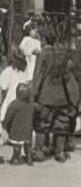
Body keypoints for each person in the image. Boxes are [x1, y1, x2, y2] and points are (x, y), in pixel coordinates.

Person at [32, 30, 79, 162]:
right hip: (62, 97)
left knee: (43, 124)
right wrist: (73, 99)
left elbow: (38, 75)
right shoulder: (63, 55)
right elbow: (68, 78)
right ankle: (59, 152)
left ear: (44, 40)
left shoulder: (43, 54)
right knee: (61, 123)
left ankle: (39, 151)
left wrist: (34, 94)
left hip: (45, 96)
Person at [3, 82, 35, 166]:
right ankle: (29, 158)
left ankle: (15, 157)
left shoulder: (14, 104)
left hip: (16, 128)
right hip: (28, 129)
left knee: (17, 144)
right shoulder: (31, 106)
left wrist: (4, 125)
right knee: (27, 144)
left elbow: (8, 117)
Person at [0, 46, 31, 123]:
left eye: (22, 60)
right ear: (14, 60)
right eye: (18, 60)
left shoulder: (27, 71)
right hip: (9, 108)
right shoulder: (7, 72)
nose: (22, 62)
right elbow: (2, 94)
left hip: (23, 109)